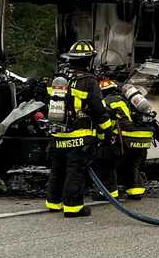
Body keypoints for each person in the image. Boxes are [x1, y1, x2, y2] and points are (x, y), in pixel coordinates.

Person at [45, 41, 114, 217]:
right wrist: (107, 131)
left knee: (57, 169)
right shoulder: (88, 81)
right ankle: (73, 207)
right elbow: (99, 110)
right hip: (79, 136)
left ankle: (53, 202)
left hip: (57, 132)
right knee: (75, 171)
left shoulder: (57, 77)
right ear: (89, 60)